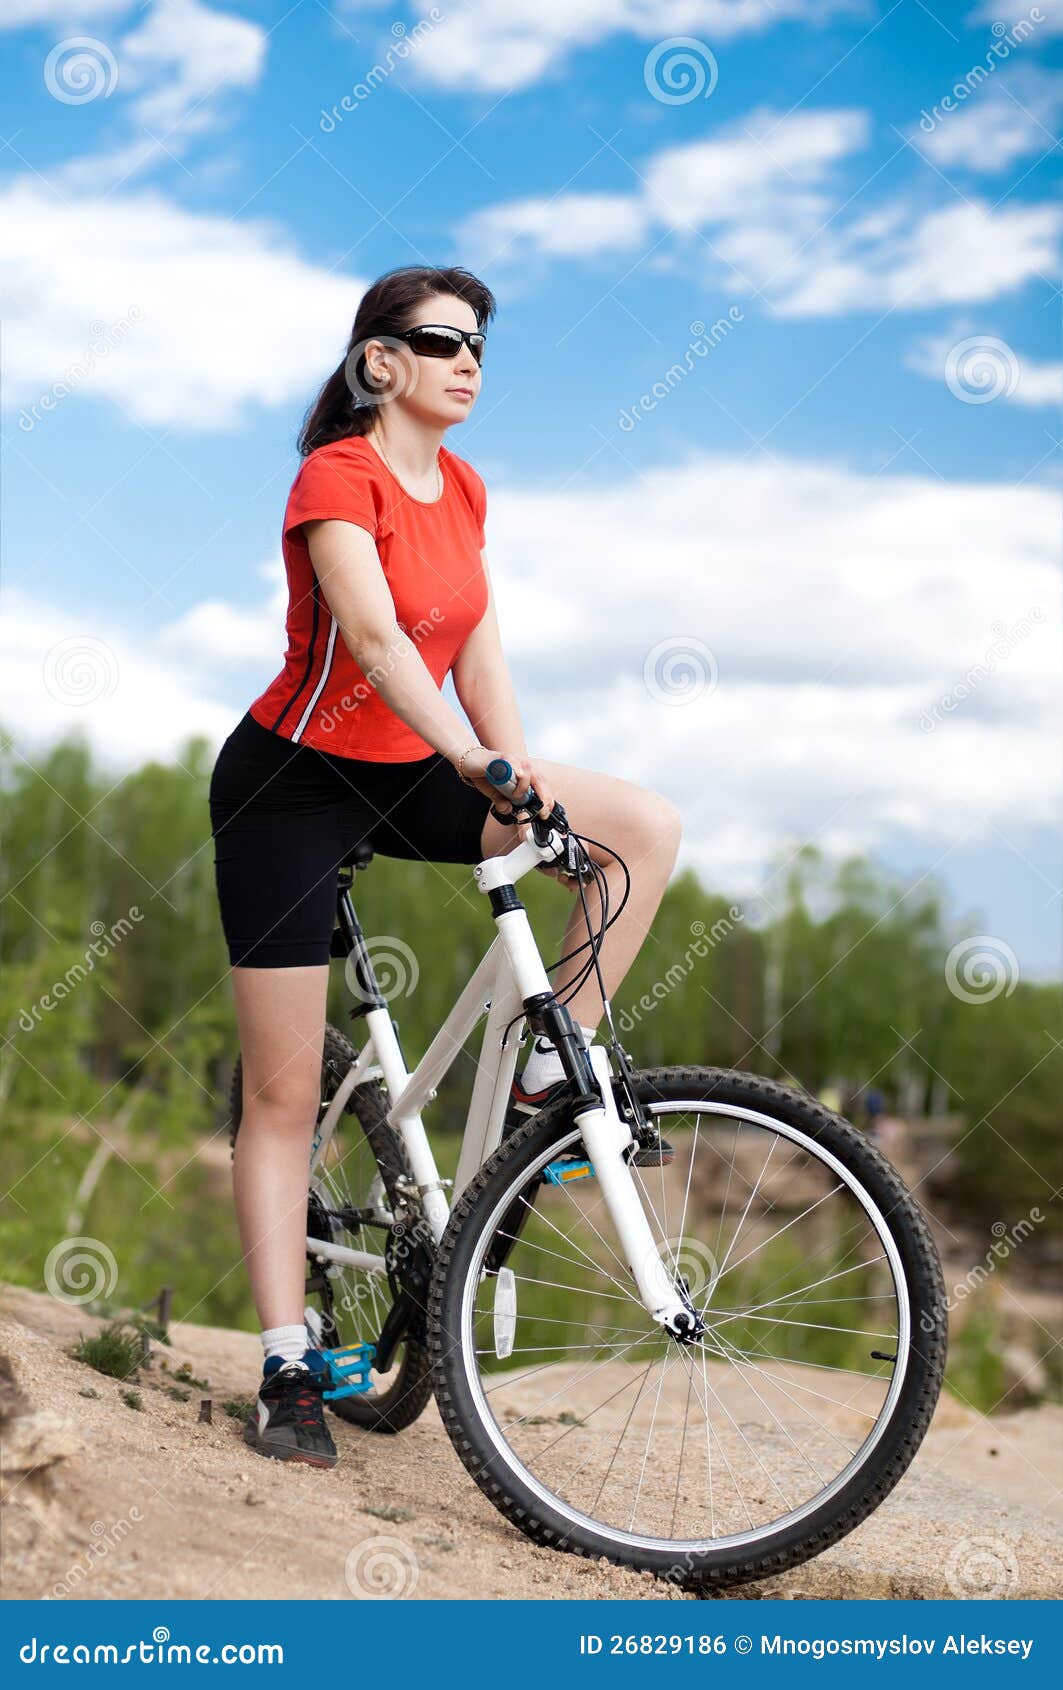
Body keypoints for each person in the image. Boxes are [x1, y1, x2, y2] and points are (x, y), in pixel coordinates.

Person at [208, 264, 683, 1468]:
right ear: (381, 364)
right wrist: (474, 760)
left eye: (479, 343)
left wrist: (515, 774)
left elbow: (474, 638)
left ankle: (544, 1076)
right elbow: (369, 637)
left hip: (422, 761)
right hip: (293, 783)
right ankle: (285, 1366)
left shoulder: (463, 485)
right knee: (277, 1096)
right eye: (440, 341)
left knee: (639, 828)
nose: (468, 360)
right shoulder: (337, 476)